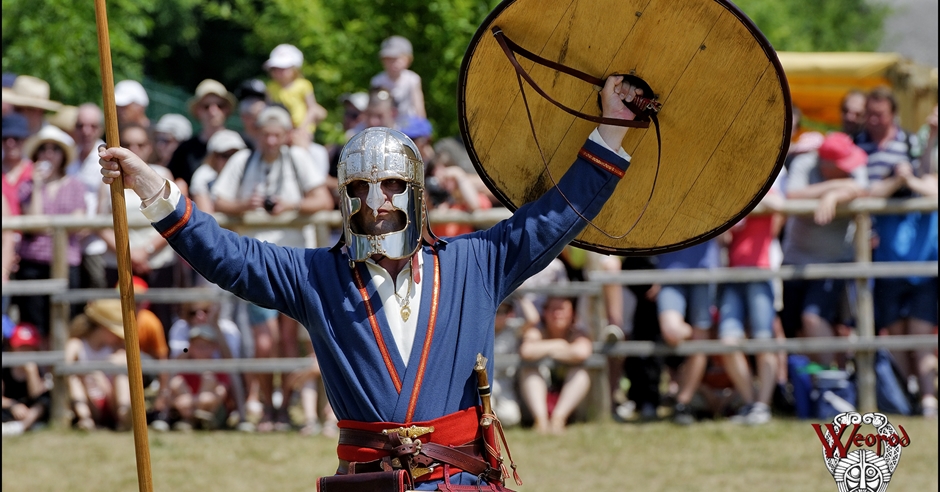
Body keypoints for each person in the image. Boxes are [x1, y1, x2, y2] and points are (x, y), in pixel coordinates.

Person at [98, 75, 641, 488]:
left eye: (390, 186)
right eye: (359, 189)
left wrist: (613, 125)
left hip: (460, 481)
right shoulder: (316, 277)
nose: (376, 203)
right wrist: (151, 188)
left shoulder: (477, 263)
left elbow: (554, 216)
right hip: (366, 485)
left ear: (416, 193)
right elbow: (229, 257)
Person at [211, 105, 332, 431]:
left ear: (286, 135)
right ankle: (267, 407)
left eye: (278, 135)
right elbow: (218, 201)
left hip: (294, 261)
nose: (272, 141)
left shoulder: (298, 158)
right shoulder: (241, 160)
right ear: (257, 134)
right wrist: (244, 206)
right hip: (256, 262)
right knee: (264, 341)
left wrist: (292, 205)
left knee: (292, 339)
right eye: (266, 135)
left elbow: (323, 199)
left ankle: (288, 408)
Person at [857, 92, 938, 417]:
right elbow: (865, 192)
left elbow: (931, 181)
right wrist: (896, 181)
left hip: (922, 265)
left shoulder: (915, 154)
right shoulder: (862, 147)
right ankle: (912, 392)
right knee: (893, 333)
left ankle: (928, 398)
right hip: (888, 263)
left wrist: (912, 179)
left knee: (919, 335)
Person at [781, 132, 868, 367]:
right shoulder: (804, 164)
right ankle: (813, 385)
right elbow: (792, 195)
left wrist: (832, 196)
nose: (849, 169)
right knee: (794, 327)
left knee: (813, 318)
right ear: (825, 164)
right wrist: (835, 187)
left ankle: (834, 380)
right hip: (796, 260)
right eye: (842, 166)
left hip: (835, 263)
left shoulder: (856, 163)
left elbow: (861, 188)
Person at [717, 182, 786, 426]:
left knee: (763, 339)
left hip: (760, 272)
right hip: (733, 274)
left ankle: (762, 405)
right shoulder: (729, 193)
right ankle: (751, 402)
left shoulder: (763, 187)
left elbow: (780, 205)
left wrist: (749, 201)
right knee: (728, 340)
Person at [98, 125, 177, 330]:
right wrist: (129, 254)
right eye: (128, 145)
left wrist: (147, 251)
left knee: (160, 323)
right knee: (118, 324)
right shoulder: (108, 177)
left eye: (140, 144)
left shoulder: (161, 173)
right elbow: (99, 223)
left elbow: (173, 217)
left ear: (149, 147)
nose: (134, 149)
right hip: (119, 263)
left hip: (156, 262)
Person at [11, 125, 86, 337]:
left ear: (63, 155)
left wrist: (49, 226)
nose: (49, 154)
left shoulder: (75, 185)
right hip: (33, 264)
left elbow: (78, 224)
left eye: (55, 149)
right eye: (44, 149)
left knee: (64, 322)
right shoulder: (27, 186)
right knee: (34, 325)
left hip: (65, 263)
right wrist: (37, 185)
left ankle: (60, 369)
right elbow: (34, 223)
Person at [656, 239, 718, 425]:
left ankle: (683, 403)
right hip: (669, 268)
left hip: (705, 268)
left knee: (698, 342)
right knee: (672, 332)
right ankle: (702, 339)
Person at [518, 296, 592, 434]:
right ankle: (541, 421)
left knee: (580, 373)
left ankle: (558, 419)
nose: (557, 314)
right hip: (537, 397)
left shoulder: (577, 333)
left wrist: (544, 350)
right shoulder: (537, 332)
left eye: (562, 309)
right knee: (529, 371)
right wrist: (559, 345)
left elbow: (581, 352)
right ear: (544, 313)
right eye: (553, 309)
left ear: (572, 314)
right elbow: (526, 351)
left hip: (571, 402)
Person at [65, 299, 131, 430]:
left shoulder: (116, 349)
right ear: (104, 327)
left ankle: (125, 415)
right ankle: (85, 418)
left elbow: (126, 364)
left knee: (121, 376)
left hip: (110, 397)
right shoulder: (77, 344)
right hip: (87, 396)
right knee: (73, 379)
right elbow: (65, 368)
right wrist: (88, 373)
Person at [67, 103, 110, 292]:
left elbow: (104, 204)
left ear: (100, 128)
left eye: (92, 126)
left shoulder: (107, 158)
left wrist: (85, 228)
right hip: (68, 244)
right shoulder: (68, 157)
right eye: (80, 126)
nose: (86, 131)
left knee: (96, 296)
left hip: (95, 244)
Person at [168, 79, 240, 190]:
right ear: (198, 110)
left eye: (219, 105)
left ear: (226, 109)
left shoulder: (241, 144)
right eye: (206, 106)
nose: (213, 111)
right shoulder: (185, 150)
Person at [166, 326, 232, 431]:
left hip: (214, 410)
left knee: (208, 378)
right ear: (190, 347)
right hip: (186, 409)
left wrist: (191, 401)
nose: (201, 349)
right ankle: (190, 421)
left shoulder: (218, 367)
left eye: (205, 346)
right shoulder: (185, 367)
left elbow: (221, 394)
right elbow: (169, 393)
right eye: (197, 345)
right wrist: (178, 402)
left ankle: (203, 420)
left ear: (214, 347)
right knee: (176, 382)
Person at [264, 44, 327, 148]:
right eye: (276, 68)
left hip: (301, 129)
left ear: (294, 69)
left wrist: (303, 127)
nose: (279, 72)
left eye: (283, 68)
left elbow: (312, 108)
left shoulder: (303, 85)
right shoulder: (271, 87)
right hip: (280, 129)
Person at [2, 323, 50, 435]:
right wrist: (13, 405)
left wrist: (31, 372)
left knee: (44, 402)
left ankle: (21, 427)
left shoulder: (38, 368)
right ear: (12, 348)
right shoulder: (5, 369)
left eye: (29, 348)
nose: (25, 352)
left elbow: (36, 395)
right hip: (10, 407)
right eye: (22, 348)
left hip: (31, 410)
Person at [190, 129, 247, 214]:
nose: (232, 160)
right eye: (225, 155)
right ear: (213, 157)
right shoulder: (203, 176)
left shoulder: (249, 170)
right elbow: (207, 216)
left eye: (235, 155)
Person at [371, 36, 426, 118]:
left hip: (409, 124)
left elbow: (419, 106)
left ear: (408, 60)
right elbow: (374, 108)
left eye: (397, 59)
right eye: (389, 59)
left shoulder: (412, 79)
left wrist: (422, 125)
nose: (393, 63)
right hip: (385, 124)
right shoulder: (377, 81)